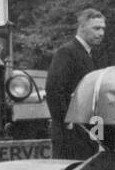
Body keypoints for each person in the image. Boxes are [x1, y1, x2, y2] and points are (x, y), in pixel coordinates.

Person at [45, 9, 108, 159]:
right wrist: (67, 123)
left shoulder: (90, 54)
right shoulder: (66, 52)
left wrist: (98, 133)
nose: (101, 33)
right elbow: (54, 90)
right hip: (70, 134)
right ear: (81, 28)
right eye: (96, 28)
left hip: (87, 130)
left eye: (103, 29)